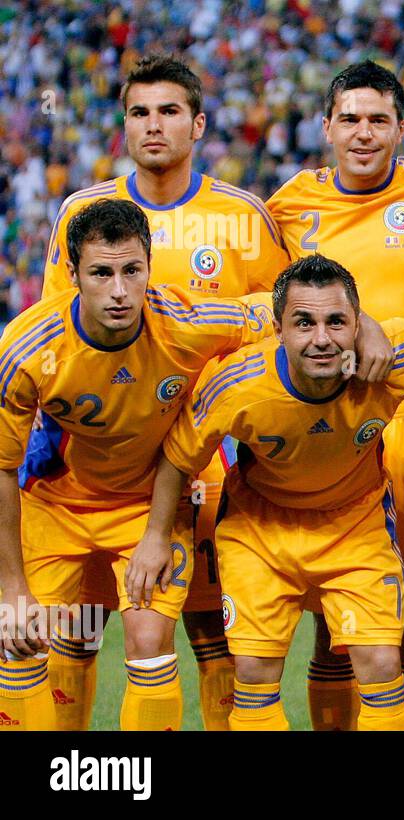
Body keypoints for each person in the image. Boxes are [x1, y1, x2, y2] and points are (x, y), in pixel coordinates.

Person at [39, 54, 292, 731]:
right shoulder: (83, 212)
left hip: (202, 465)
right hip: (90, 467)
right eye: (139, 112)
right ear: (124, 124)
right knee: (78, 630)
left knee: (213, 636)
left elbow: (281, 323)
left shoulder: (242, 217)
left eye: (170, 111)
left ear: (198, 124)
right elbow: (56, 342)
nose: (154, 125)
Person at [0, 198, 275, 730]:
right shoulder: (27, 347)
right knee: (21, 640)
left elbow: (282, 308)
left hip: (152, 505)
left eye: (132, 270)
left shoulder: (189, 321)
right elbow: (2, 468)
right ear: (74, 275)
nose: (120, 290)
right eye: (102, 273)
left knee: (150, 642)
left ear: (150, 268)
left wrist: (366, 326)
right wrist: (11, 586)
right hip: (55, 507)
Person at [154, 255, 404, 731]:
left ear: (358, 324)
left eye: (337, 322)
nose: (321, 339)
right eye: (304, 323)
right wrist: (155, 538)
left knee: (380, 664)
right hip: (261, 530)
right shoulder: (237, 385)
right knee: (253, 672)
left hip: (355, 525)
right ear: (278, 328)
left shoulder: (391, 358)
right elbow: (177, 458)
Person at [268, 60, 404, 732]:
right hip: (328, 429)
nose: (363, 132)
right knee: (334, 628)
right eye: (349, 118)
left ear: (402, 129)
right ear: (326, 127)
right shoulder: (290, 205)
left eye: (379, 119)